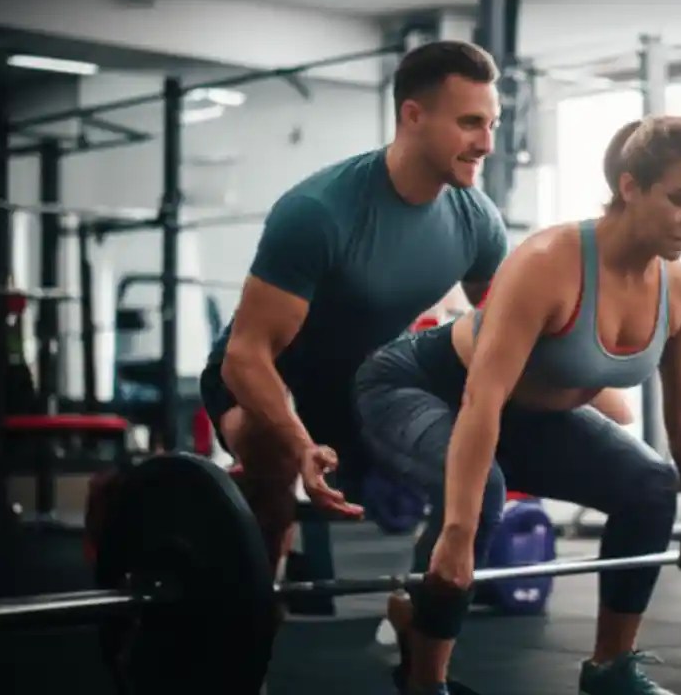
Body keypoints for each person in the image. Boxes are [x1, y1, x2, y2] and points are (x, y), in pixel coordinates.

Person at [353, 114, 681, 695]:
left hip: (525, 416)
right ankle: (426, 680)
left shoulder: (679, 289)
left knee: (651, 485)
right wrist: (458, 532)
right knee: (481, 496)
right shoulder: (549, 263)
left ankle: (610, 670)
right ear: (630, 187)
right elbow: (482, 397)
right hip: (416, 387)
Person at [199, 40, 514, 576]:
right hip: (265, 375)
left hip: (363, 382)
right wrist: (300, 444)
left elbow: (505, 333)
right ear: (412, 116)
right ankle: (251, 580)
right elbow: (245, 357)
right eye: (469, 123)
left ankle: (418, 609)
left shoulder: (477, 220)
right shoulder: (317, 212)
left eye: (492, 124)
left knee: (463, 472)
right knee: (273, 461)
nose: (486, 143)